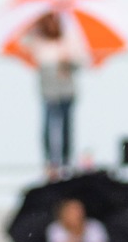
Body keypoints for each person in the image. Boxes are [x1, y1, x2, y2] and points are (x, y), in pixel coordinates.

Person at [25, 11, 84, 177]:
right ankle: (50, 162)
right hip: (48, 92)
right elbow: (24, 42)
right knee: (48, 128)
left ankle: (65, 162)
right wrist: (33, 26)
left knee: (66, 127)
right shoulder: (39, 42)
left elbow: (81, 61)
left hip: (66, 91)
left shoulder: (69, 41)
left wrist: (69, 61)